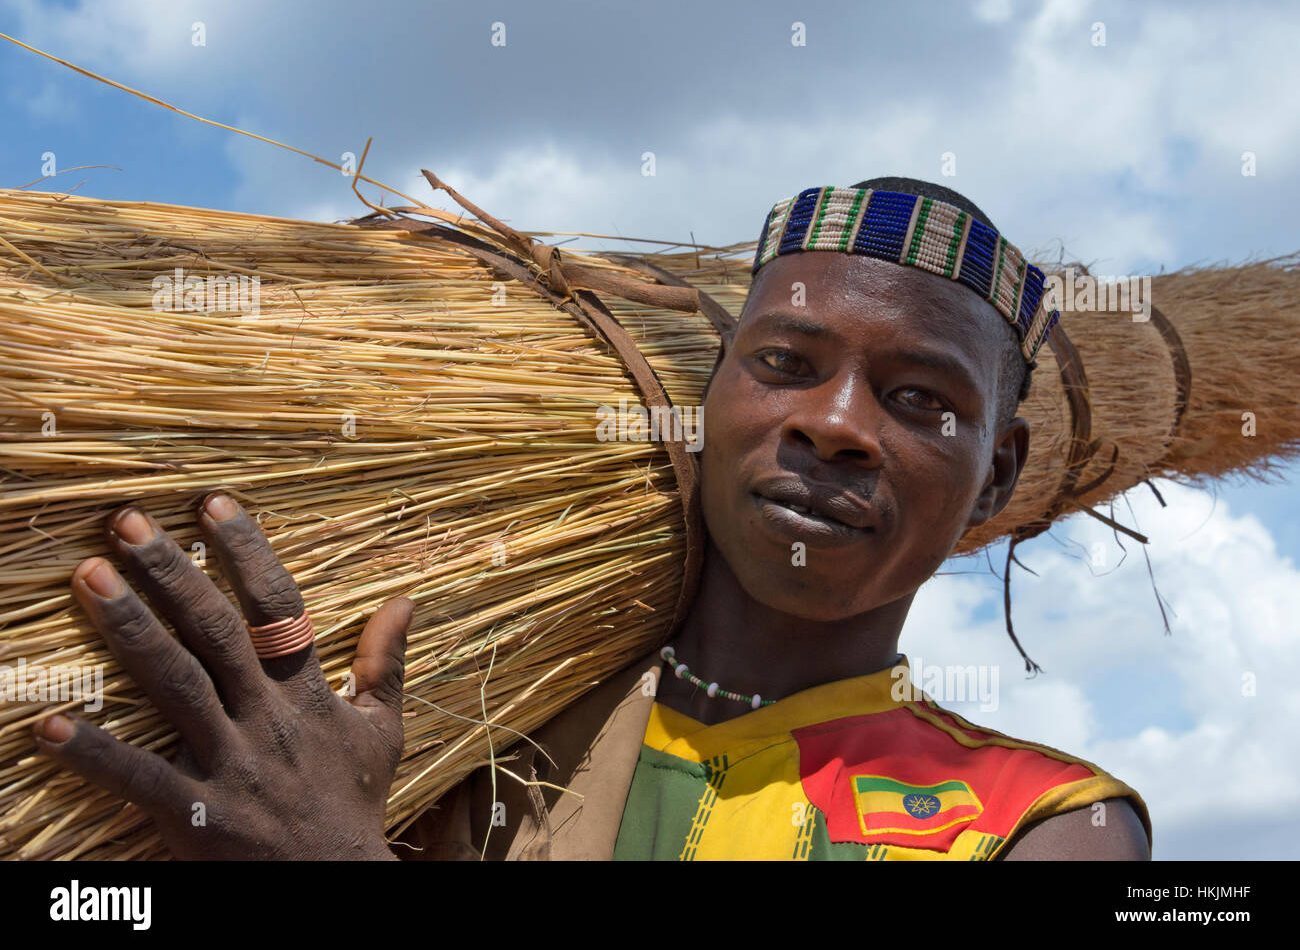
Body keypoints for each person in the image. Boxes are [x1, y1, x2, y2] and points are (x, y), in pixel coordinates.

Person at [32, 177, 1152, 861]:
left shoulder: (1039, 825)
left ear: (997, 477)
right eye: (784, 364)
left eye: (920, 400)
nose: (836, 424)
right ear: (710, 395)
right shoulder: (448, 725)